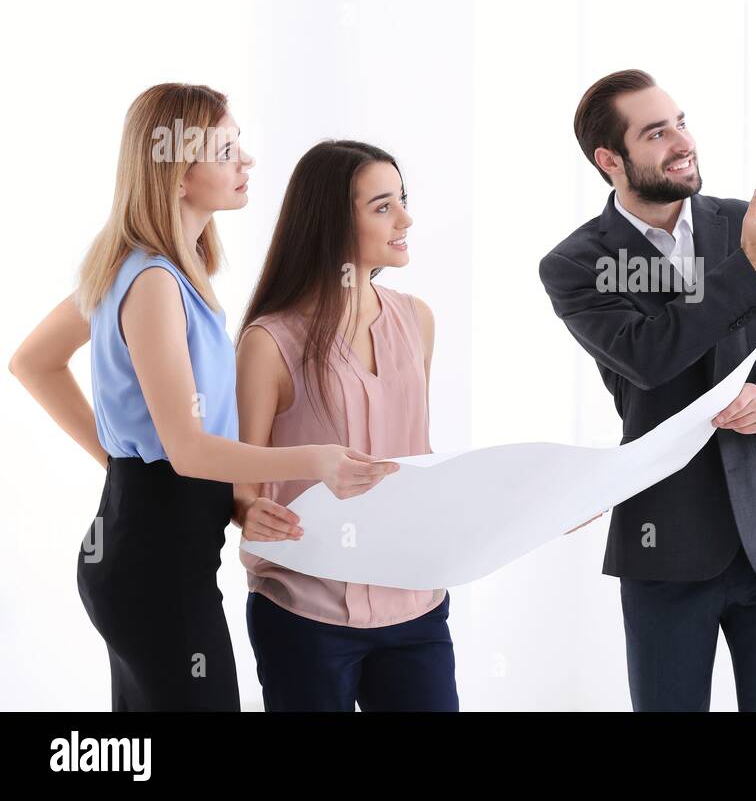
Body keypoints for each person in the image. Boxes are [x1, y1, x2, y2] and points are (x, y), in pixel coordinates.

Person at [8, 84, 398, 711]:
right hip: (154, 567)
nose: (246, 161)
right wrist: (318, 460)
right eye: (226, 149)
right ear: (177, 173)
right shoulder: (155, 280)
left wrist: (125, 464)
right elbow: (187, 450)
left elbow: (33, 362)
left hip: (148, 545)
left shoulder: (142, 266)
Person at [539, 69, 756, 711]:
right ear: (610, 160)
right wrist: (749, 268)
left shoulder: (750, 227)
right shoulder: (577, 263)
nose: (682, 142)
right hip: (666, 544)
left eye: (681, 122)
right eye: (656, 133)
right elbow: (649, 356)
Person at [236, 139, 458, 711]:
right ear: (333, 221)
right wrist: (243, 509)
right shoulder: (270, 341)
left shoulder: (417, 320)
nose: (406, 219)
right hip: (304, 611)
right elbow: (239, 471)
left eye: (402, 200)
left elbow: (418, 453)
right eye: (383, 206)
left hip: (415, 604)